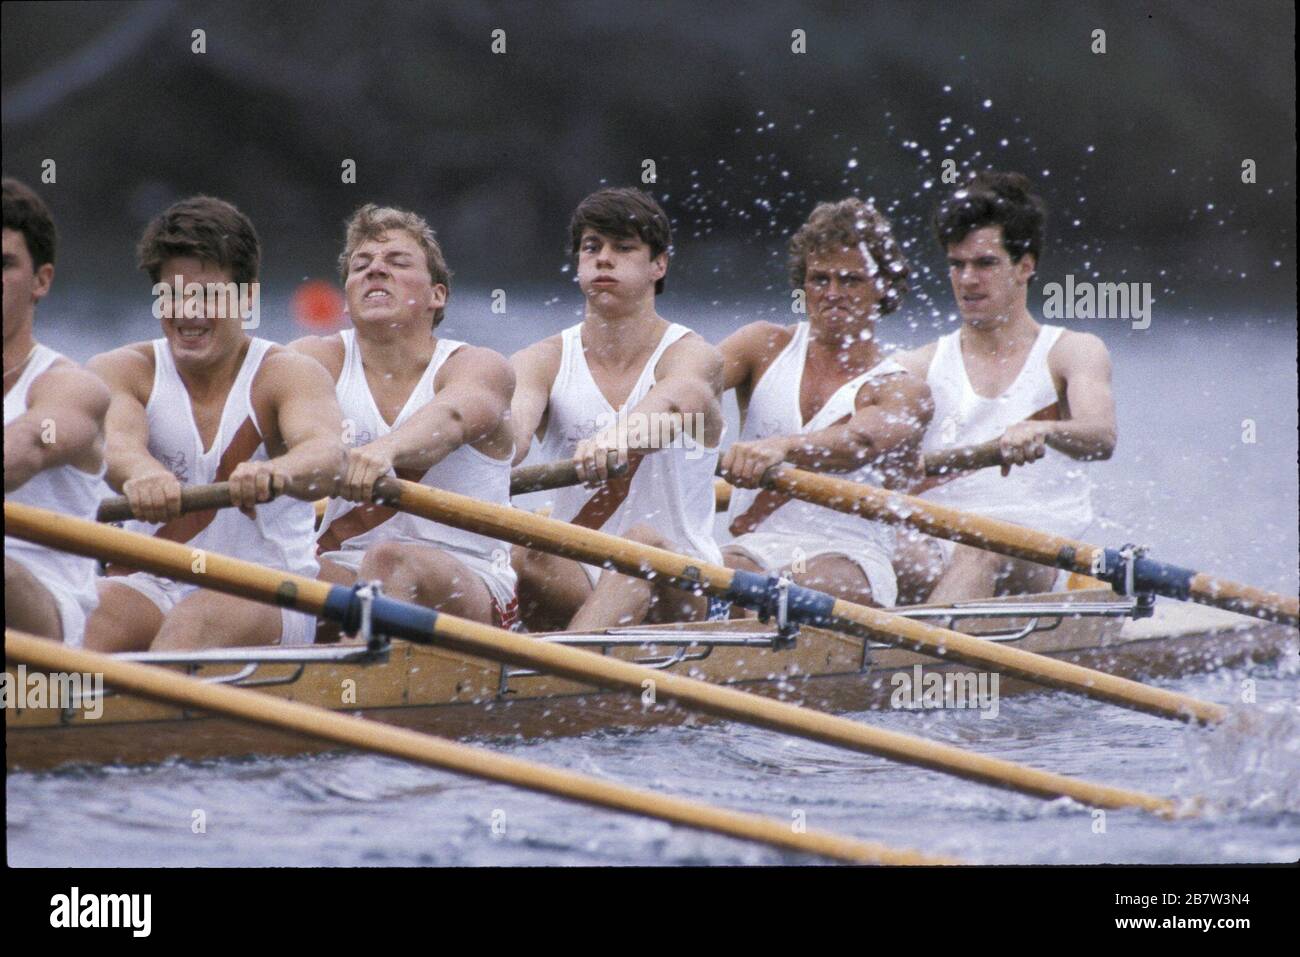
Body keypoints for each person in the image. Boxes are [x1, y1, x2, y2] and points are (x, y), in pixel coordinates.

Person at [84, 196, 345, 651]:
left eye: (207, 295)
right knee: (78, 620)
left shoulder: (287, 375)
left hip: (267, 590)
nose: (188, 312)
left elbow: (326, 454)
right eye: (173, 295)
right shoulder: (121, 370)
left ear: (247, 298)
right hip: (153, 582)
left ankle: (143, 716)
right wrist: (143, 473)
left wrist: (275, 473)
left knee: (195, 623)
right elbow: (115, 444)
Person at [293, 204, 519, 636]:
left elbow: (452, 418)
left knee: (390, 560)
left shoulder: (479, 367)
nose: (375, 270)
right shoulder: (311, 361)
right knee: (260, 565)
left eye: (396, 262)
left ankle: (355, 689)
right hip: (346, 568)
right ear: (347, 296)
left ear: (437, 295)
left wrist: (385, 451)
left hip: (470, 580)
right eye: (361, 266)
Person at [893, 171, 1117, 603]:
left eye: (985, 263)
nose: (967, 279)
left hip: (1041, 549)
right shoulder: (915, 366)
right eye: (956, 265)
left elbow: (1101, 437)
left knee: (979, 548)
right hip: (940, 537)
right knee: (863, 550)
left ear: (1024, 266)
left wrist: (1045, 430)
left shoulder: (1072, 352)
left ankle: (920, 670)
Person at [509, 187, 726, 631]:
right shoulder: (541, 359)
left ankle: (556, 680)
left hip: (684, 582)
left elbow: (673, 404)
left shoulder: (693, 356)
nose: (604, 259)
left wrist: (614, 439)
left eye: (623, 248)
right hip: (581, 573)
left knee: (640, 545)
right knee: (521, 550)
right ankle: (568, 666)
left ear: (658, 265)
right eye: (592, 248)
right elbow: (507, 441)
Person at [717, 198, 932, 607]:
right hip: (755, 548)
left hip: (850, 558)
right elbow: (689, 386)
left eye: (851, 281)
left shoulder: (902, 389)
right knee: (681, 576)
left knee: (781, 593)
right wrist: (639, 424)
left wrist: (781, 447)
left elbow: (858, 444)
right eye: (820, 279)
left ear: (882, 287)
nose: (833, 294)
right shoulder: (761, 346)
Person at [3, 178, 110, 646]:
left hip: (46, 619)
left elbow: (21, 451)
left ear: (41, 280)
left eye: (4, 265)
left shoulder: (69, 388)